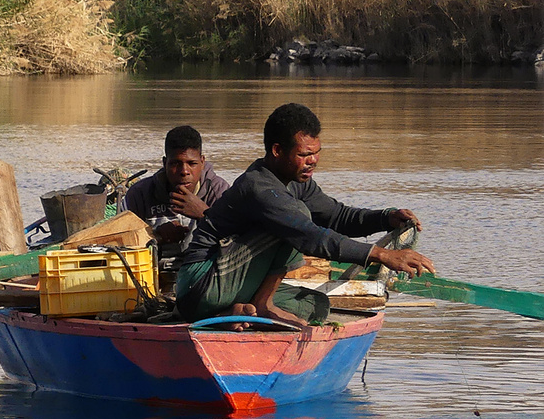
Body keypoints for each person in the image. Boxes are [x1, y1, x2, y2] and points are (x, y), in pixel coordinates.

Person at [175, 103, 435, 327]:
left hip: (230, 285)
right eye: (304, 154)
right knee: (297, 218)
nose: (313, 161)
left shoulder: (297, 181)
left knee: (316, 305)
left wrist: (386, 218)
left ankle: (235, 312)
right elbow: (309, 236)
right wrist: (383, 255)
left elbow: (336, 216)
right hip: (201, 284)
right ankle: (261, 305)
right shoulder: (259, 187)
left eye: (316, 152)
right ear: (277, 151)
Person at [123, 125, 230, 252]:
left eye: (192, 163)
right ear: (165, 163)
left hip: (204, 269)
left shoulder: (219, 192)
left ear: (202, 162)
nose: (184, 171)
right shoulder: (139, 194)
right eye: (175, 164)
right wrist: (156, 236)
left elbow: (238, 241)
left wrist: (204, 216)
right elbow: (118, 242)